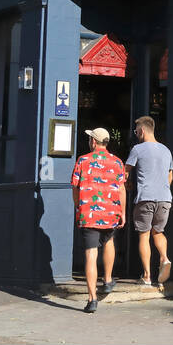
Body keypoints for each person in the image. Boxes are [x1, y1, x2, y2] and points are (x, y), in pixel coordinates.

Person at [71, 127, 126, 313]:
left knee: (91, 254)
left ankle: (92, 299)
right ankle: (108, 279)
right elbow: (121, 190)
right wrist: (123, 212)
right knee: (109, 241)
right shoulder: (118, 162)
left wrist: (79, 207)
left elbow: (75, 187)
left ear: (93, 142)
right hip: (110, 212)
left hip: (89, 213)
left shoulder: (83, 160)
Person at [127, 116, 173, 287]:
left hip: (145, 197)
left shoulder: (137, 149)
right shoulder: (166, 150)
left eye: (136, 131)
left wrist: (128, 184)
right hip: (164, 198)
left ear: (142, 131)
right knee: (158, 232)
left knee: (144, 234)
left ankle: (147, 276)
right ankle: (164, 257)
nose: (136, 133)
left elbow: (125, 172)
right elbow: (170, 176)